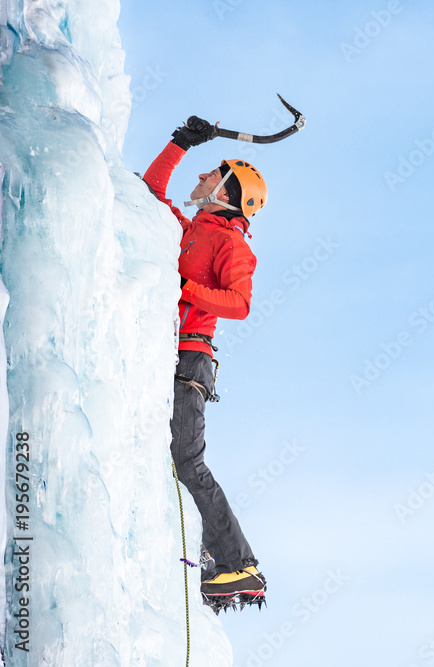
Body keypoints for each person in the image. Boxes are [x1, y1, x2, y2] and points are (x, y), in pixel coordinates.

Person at [142, 117, 267, 611]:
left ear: (227, 193)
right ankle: (216, 564)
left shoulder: (231, 243)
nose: (200, 177)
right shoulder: (192, 229)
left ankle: (238, 566)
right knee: (169, 459)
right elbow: (149, 192)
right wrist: (180, 143)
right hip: (168, 352)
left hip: (191, 359)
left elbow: (240, 302)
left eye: (211, 174)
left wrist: (185, 290)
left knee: (187, 462)